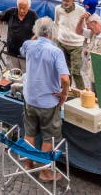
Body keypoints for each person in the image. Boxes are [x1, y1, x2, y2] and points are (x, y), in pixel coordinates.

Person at [21, 18, 70, 182]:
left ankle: (28, 164)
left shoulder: (29, 44)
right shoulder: (55, 51)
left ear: (36, 31)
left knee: (30, 132)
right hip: (48, 102)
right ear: (52, 33)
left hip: (30, 98)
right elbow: (65, 79)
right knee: (49, 137)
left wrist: (36, 35)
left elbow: (25, 48)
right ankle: (45, 172)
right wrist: (64, 94)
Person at [0, 0, 38, 71]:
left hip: (25, 53)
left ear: (29, 7)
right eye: (20, 7)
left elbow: (39, 30)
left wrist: (31, 40)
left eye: (24, 8)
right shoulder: (11, 11)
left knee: (25, 75)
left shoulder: (32, 15)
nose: (22, 10)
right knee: (11, 74)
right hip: (12, 51)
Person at [53, 0, 86, 90]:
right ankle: (66, 91)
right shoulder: (58, 9)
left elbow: (85, 28)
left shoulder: (81, 10)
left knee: (76, 71)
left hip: (76, 44)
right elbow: (56, 23)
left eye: (67, 1)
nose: (65, 3)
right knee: (64, 71)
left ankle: (82, 92)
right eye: (63, 0)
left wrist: (87, 44)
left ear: (73, 0)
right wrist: (55, 37)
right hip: (61, 43)